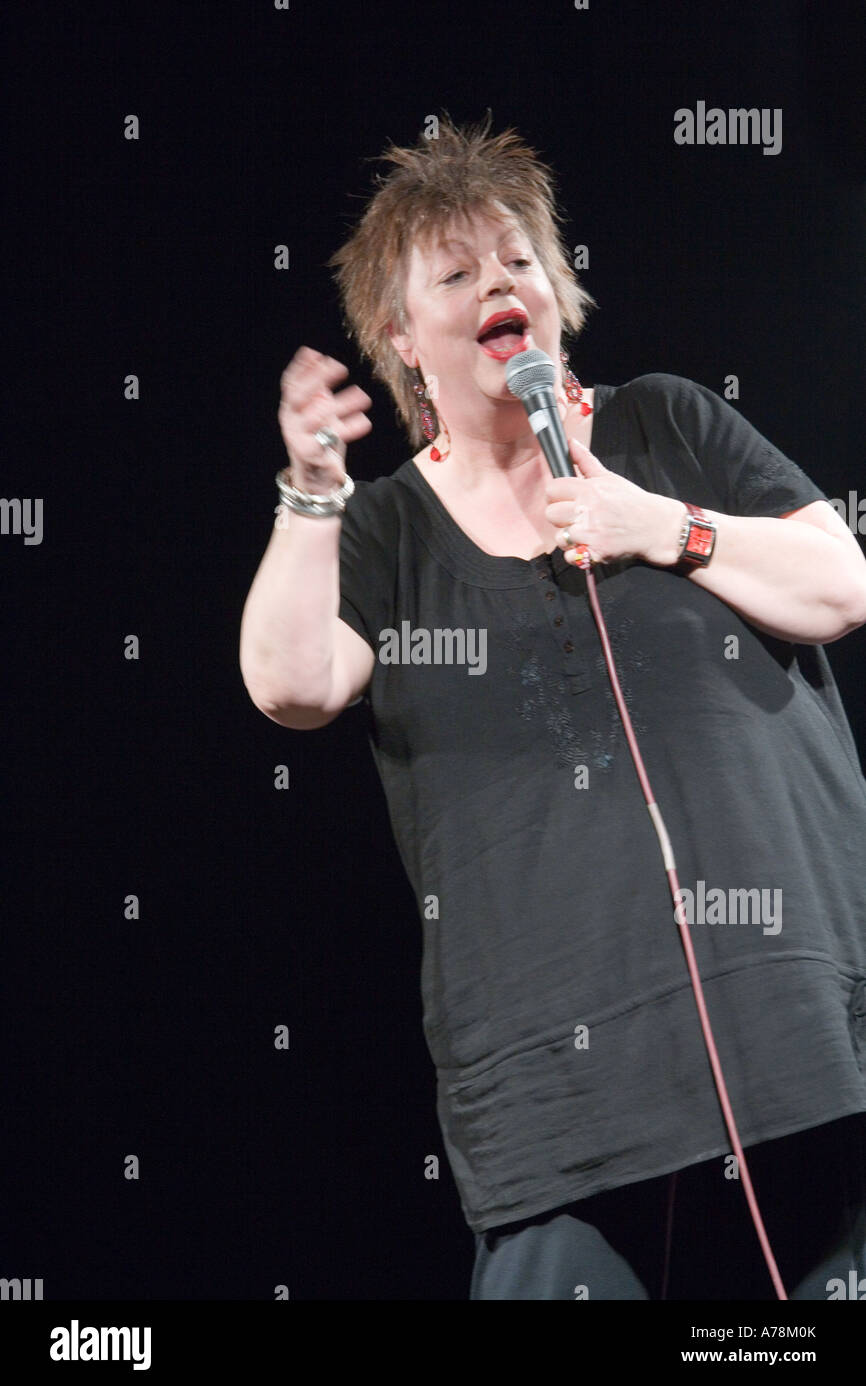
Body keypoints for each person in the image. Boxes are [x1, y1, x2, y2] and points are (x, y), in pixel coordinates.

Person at [239, 115, 866, 1300]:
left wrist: (663, 528)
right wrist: (309, 497)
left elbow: (841, 584)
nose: (499, 283)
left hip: (789, 1039)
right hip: (562, 1096)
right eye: (458, 271)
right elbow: (291, 683)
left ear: (559, 291)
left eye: (518, 259)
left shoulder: (666, 425)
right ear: (399, 337)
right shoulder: (378, 531)